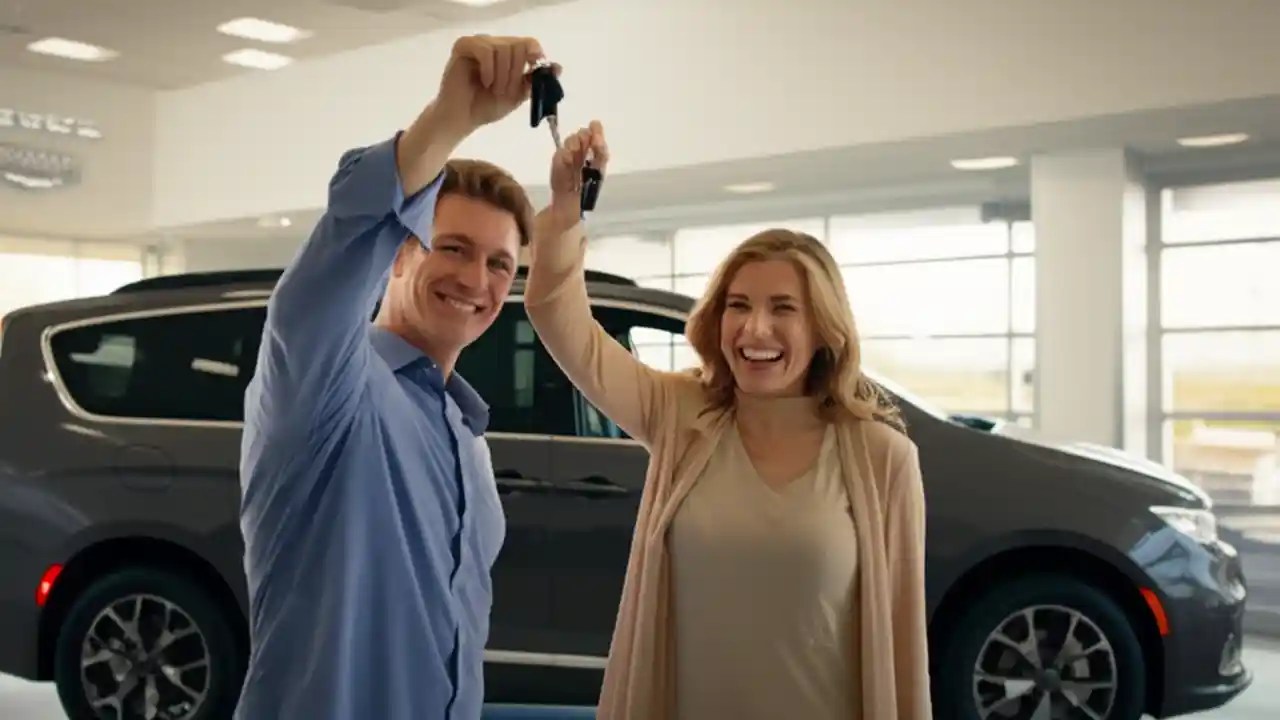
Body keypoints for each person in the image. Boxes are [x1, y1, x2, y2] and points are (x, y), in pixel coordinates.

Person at [524, 123, 932, 719]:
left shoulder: (881, 457)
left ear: (823, 330)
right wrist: (566, 208)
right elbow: (561, 320)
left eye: (783, 309)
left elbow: (903, 647)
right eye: (738, 306)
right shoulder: (681, 414)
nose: (754, 329)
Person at [236, 34, 552, 720]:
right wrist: (449, 120)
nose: (477, 279)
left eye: (500, 264)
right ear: (400, 254)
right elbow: (323, 278)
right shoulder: (328, 389)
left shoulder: (465, 434)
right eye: (453, 249)